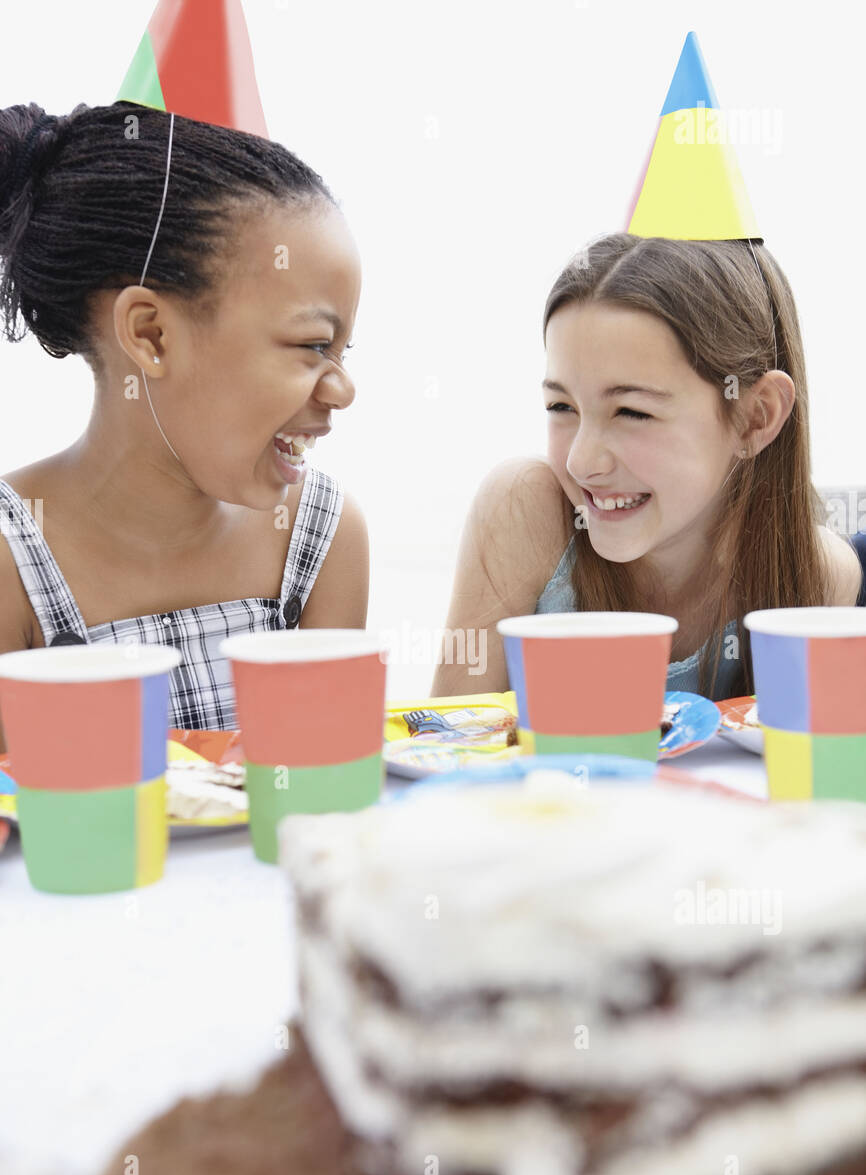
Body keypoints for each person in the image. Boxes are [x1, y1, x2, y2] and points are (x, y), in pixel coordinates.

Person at [0, 101, 367, 741]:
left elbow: (326, 794)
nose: (342, 389)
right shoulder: (13, 558)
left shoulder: (320, 538)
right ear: (152, 334)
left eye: (343, 353)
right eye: (312, 346)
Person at [432, 234, 864, 699]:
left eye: (632, 412)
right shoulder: (525, 509)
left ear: (754, 417)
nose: (581, 461)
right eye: (560, 406)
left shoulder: (820, 577)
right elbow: (450, 747)